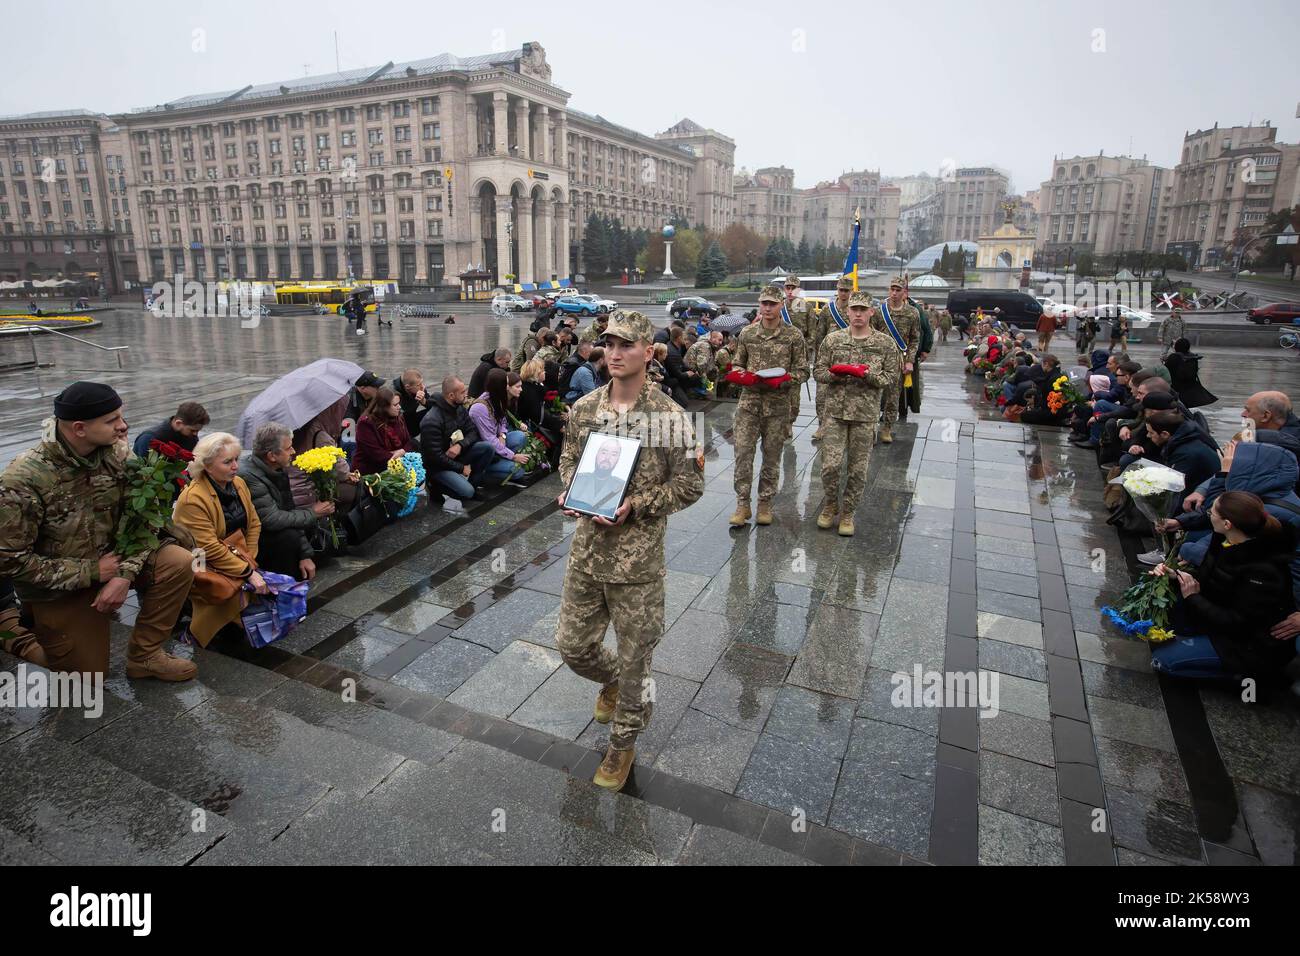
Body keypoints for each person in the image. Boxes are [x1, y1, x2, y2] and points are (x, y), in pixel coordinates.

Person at [554, 309, 704, 791]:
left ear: (648, 352)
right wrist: (570, 492)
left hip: (637, 563)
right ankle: (613, 680)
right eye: (608, 344)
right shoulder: (586, 408)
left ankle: (622, 745)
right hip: (588, 551)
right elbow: (569, 461)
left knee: (638, 657)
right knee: (573, 647)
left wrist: (636, 505)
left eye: (625, 345)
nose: (614, 353)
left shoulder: (668, 418)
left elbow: (689, 486)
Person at [0, 382, 196, 680]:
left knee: (179, 560)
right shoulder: (24, 479)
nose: (123, 426)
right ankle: (15, 635)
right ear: (79, 428)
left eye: (121, 416)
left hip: (112, 565)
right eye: (111, 420)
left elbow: (143, 518)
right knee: (85, 679)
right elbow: (10, 561)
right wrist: (92, 572)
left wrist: (123, 575)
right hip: (59, 589)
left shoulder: (116, 453)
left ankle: (145, 657)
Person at [1150, 492, 1296, 687]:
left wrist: (1193, 597)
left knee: (1164, 662)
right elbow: (1209, 581)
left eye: (1212, 511)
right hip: (1216, 620)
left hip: (1247, 645)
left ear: (1227, 524)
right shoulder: (1223, 540)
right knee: (1154, 623)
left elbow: (1237, 622)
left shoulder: (1263, 572)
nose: (1208, 513)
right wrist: (1176, 577)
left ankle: (1251, 680)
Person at [814, 290, 900, 536]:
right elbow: (818, 371)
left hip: (864, 415)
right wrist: (837, 373)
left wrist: (866, 374)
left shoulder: (884, 344)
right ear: (848, 312)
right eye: (854, 309)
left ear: (871, 312)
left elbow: (891, 377)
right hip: (835, 414)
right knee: (830, 466)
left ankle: (849, 512)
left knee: (858, 469)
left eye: (863, 309)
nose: (859, 314)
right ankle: (831, 504)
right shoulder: (833, 340)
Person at [174, 432, 267, 647]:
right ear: (206, 465)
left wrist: (249, 559)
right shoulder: (193, 498)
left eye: (236, 459)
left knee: (243, 582)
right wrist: (247, 571)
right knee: (230, 588)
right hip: (198, 558)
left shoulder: (239, 483)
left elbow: (254, 523)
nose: (236, 466)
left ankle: (231, 624)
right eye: (227, 462)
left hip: (235, 552)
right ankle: (195, 634)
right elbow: (207, 547)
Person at [729, 283, 809, 526]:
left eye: (772, 304)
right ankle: (743, 504)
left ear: (781, 305)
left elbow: (803, 371)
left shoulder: (793, 336)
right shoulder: (747, 334)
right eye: (764, 303)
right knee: (743, 453)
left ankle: (765, 502)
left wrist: (784, 380)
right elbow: (737, 364)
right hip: (749, 404)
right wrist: (743, 375)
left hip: (777, 406)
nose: (767, 308)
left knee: (772, 456)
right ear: (759, 305)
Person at [240, 422, 327, 581]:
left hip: (270, 533)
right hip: (250, 541)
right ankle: (282, 591)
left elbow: (289, 510)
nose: (293, 452)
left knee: (302, 527)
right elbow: (271, 519)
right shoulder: (250, 476)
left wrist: (305, 555)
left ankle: (293, 588)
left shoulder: (277, 469)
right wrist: (313, 512)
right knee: (289, 537)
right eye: (288, 449)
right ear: (272, 456)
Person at [419, 375, 493, 506]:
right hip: (438, 466)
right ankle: (434, 485)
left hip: (456, 455)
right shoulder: (432, 420)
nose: (466, 395)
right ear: (451, 395)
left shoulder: (459, 408)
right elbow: (435, 457)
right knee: (466, 493)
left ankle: (472, 486)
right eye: (462, 392)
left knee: (487, 448)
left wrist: (460, 445)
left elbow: (473, 431)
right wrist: (461, 468)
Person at [870, 276, 920, 444]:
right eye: (892, 289)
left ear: (904, 292)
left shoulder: (912, 313)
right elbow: (871, 334)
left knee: (893, 396)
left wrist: (910, 361)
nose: (894, 293)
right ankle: (871, 429)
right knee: (874, 394)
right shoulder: (879, 312)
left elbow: (914, 339)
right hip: (879, 359)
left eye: (898, 290)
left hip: (899, 360)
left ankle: (886, 429)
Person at [1147, 409, 1220, 520]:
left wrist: (1167, 520)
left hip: (1201, 500)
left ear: (1165, 434)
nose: (1148, 435)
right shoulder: (1185, 439)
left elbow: (1177, 489)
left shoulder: (1185, 453)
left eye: (1151, 432)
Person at [290, 396, 360, 511]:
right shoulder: (320, 435)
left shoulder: (301, 426)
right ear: (333, 411)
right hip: (307, 490)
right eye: (341, 410)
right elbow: (342, 471)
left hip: (293, 485)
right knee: (356, 491)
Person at [469, 368, 531, 484]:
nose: (508, 387)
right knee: (517, 471)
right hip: (485, 451)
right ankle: (484, 472)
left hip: (497, 443)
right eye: (506, 384)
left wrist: (502, 435)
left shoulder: (498, 399)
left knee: (520, 436)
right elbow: (489, 439)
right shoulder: (479, 408)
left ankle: (502, 460)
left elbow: (503, 421)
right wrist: (513, 456)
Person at [813, 277, 856, 441]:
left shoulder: (854, 310)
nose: (843, 293)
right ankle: (822, 426)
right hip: (828, 359)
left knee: (847, 395)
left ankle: (845, 427)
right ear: (837, 290)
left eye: (847, 290)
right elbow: (820, 335)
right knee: (821, 396)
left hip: (849, 359)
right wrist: (819, 358)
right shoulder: (827, 310)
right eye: (841, 290)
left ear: (851, 291)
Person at [354, 385, 416, 476]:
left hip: (395, 468)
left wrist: (401, 451)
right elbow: (375, 453)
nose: (399, 407)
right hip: (371, 473)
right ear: (384, 407)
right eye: (395, 405)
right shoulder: (366, 423)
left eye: (399, 403)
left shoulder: (399, 417)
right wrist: (396, 456)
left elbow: (408, 442)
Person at [781, 275, 812, 442]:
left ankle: (790, 422)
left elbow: (812, 335)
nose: (790, 290)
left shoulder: (805, 308)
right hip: (777, 357)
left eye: (794, 287)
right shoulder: (777, 307)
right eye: (788, 287)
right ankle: (779, 422)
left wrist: (804, 353)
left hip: (797, 359)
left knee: (794, 396)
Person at [565, 437, 628, 516]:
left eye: (614, 454)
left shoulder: (622, 487)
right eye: (604, 452)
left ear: (618, 459)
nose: (607, 458)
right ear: (596, 454)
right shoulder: (578, 479)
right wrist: (569, 490)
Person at [132, 401, 210, 458]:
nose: (195, 434)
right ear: (178, 423)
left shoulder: (189, 437)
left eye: (198, 431)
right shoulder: (149, 438)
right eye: (192, 430)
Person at [1162, 338, 1216, 408]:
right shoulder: (1193, 357)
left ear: (1176, 347)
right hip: (1189, 388)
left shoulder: (1173, 357)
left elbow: (1165, 370)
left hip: (1175, 387)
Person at [392, 369, 431, 438]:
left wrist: (424, 401)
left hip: (410, 419)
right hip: (397, 426)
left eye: (422, 383)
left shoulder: (419, 388)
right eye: (419, 385)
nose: (422, 386)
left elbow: (433, 405)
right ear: (407, 387)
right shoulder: (394, 394)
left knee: (434, 412)